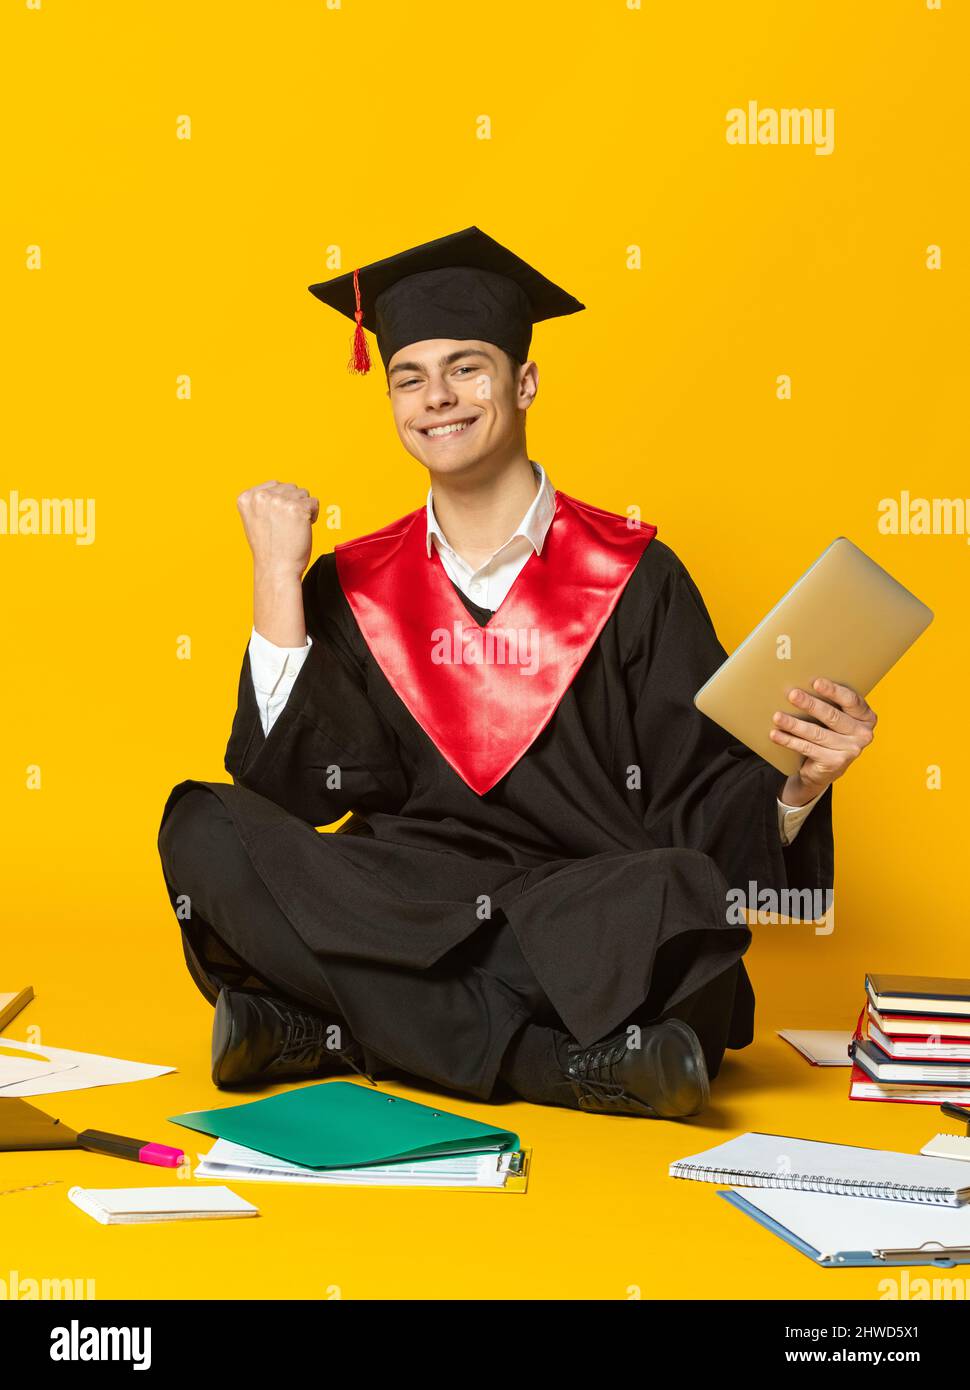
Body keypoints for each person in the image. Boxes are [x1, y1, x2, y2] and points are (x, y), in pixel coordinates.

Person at [157, 227, 876, 1118]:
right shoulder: (352, 583)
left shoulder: (636, 575)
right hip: (405, 893)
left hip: (581, 904)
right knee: (205, 833)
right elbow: (292, 794)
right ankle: (556, 1065)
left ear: (524, 382)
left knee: (680, 907)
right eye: (410, 377)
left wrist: (801, 782)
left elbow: (696, 799)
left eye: (466, 368)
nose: (437, 398)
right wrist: (276, 577)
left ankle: (325, 1023)